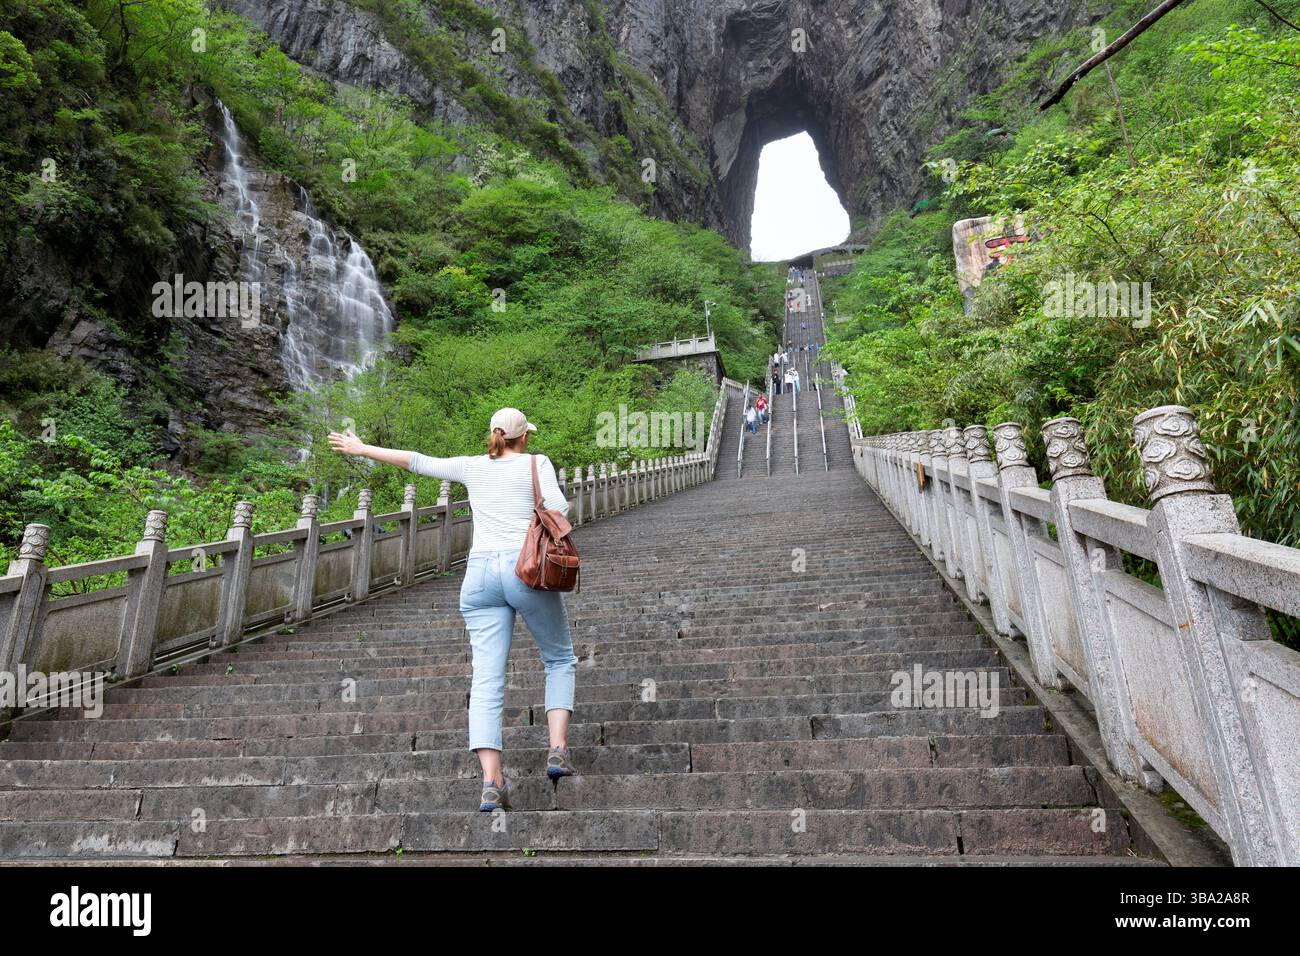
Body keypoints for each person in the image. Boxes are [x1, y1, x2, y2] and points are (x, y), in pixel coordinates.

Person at [327, 408, 578, 813]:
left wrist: (361, 449)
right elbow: (559, 510)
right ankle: (557, 750)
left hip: (478, 577)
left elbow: (416, 460)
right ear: (523, 437)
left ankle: (491, 781)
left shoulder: (471, 467)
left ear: (494, 435)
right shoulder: (537, 463)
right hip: (525, 570)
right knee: (559, 658)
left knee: (486, 680)